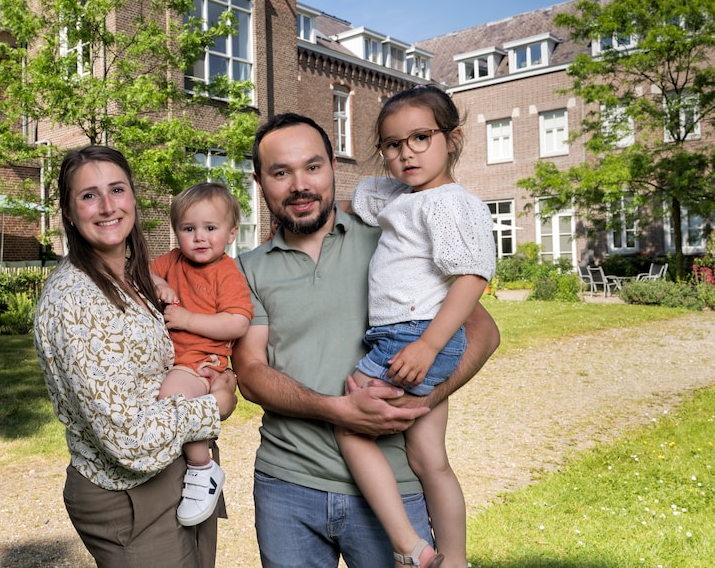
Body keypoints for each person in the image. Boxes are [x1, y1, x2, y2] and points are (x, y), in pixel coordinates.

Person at [233, 113, 500, 568]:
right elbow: (252, 375)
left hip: (395, 487)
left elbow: (482, 331)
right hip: (287, 488)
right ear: (260, 182)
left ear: (333, 166)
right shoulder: (247, 268)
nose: (300, 184)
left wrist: (422, 397)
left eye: (313, 167)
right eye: (281, 173)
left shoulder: (391, 239)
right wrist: (337, 410)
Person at [33, 145, 240, 567]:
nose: (107, 206)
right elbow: (128, 441)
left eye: (117, 190)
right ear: (69, 212)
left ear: (133, 198)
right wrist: (213, 406)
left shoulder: (137, 274)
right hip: (129, 496)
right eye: (89, 195)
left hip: (180, 472)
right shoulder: (74, 300)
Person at [334, 85, 496, 568]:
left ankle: (409, 547)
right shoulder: (403, 196)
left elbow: (472, 278)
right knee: (429, 459)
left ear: (453, 139)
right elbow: (362, 197)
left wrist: (428, 345)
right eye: (392, 144)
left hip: (413, 336)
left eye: (421, 138)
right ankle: (456, 559)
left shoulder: (450, 202)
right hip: (411, 334)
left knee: (351, 423)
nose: (406, 153)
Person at [150, 182, 253, 526]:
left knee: (174, 397)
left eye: (210, 228)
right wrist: (158, 284)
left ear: (231, 233)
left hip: (199, 363)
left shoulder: (226, 272)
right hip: (174, 359)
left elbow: (237, 322)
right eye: (188, 229)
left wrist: (187, 318)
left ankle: (202, 469)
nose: (199, 237)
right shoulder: (171, 262)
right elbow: (138, 271)